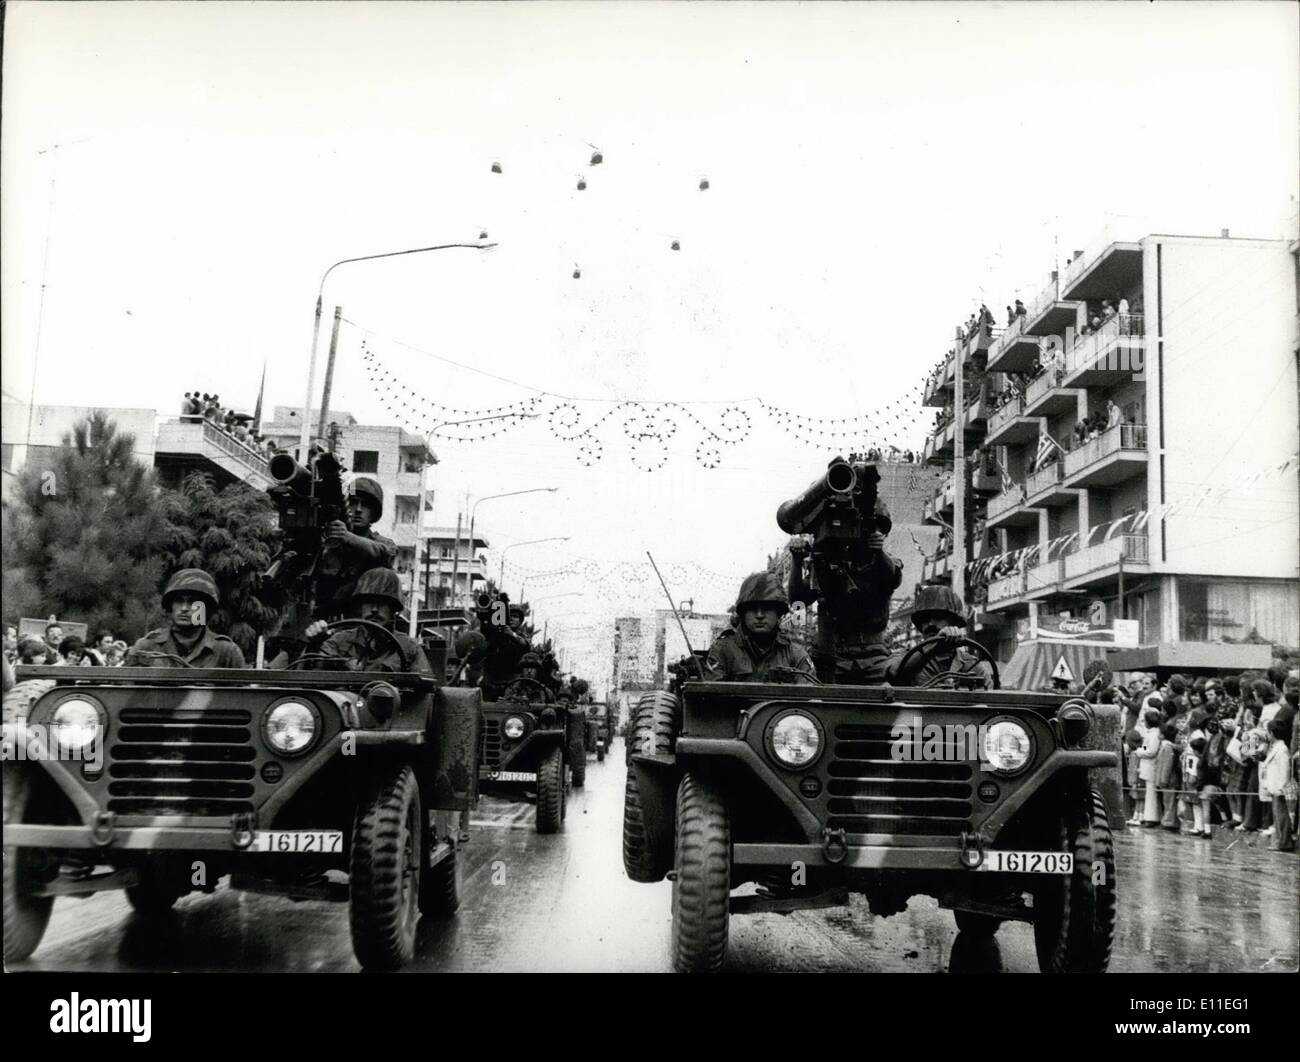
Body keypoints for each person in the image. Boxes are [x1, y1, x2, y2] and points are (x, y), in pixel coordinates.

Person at [302, 568, 431, 675]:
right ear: (360, 607)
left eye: (382, 603)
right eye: (369, 602)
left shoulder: (408, 648)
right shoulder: (338, 641)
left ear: (393, 609)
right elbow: (313, 678)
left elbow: (424, 691)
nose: (374, 609)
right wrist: (315, 644)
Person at [703, 572, 815, 684]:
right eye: (752, 609)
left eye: (767, 608)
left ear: (778, 612)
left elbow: (809, 696)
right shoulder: (723, 649)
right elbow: (712, 696)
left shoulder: (794, 653)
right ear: (743, 613)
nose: (760, 615)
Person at [313, 476, 398, 620]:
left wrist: (347, 537)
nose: (358, 510)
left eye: (365, 505)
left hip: (363, 623)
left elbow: (385, 554)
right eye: (353, 503)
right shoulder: (329, 543)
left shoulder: (383, 544)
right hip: (323, 622)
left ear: (374, 513)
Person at [125, 568, 246, 668]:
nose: (184, 608)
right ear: (170, 605)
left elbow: (242, 696)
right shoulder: (146, 646)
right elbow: (122, 692)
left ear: (207, 609)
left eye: (193, 602)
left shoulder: (226, 652)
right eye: (178, 600)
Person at [884, 585, 993, 689]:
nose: (930, 623)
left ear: (954, 622)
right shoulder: (904, 657)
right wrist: (933, 647)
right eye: (925, 618)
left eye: (938, 617)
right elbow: (893, 674)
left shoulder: (972, 665)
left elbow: (992, 701)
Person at [1261, 719, 1295, 852]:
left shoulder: (1282, 750)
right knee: (1277, 815)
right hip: (1274, 787)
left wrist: (1282, 787)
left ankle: (1284, 842)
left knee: (1281, 816)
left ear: (1272, 733)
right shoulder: (1276, 747)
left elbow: (1284, 770)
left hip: (1279, 788)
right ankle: (1281, 841)